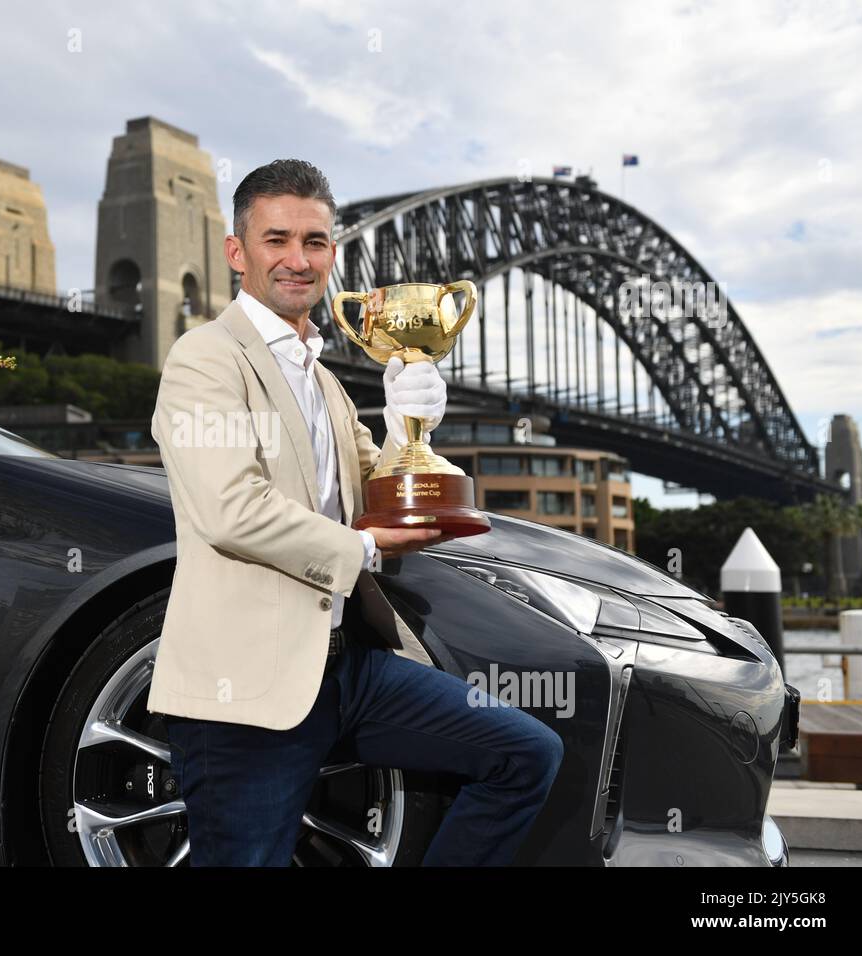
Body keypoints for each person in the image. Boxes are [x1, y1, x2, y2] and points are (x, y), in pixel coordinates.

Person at [146, 159, 563, 866]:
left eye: (314, 242)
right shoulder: (204, 360)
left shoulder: (327, 382)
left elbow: (380, 487)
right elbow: (230, 511)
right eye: (276, 239)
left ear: (332, 253)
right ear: (236, 251)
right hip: (246, 689)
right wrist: (366, 547)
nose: (297, 260)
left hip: (348, 671)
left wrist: (412, 420)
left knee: (524, 754)